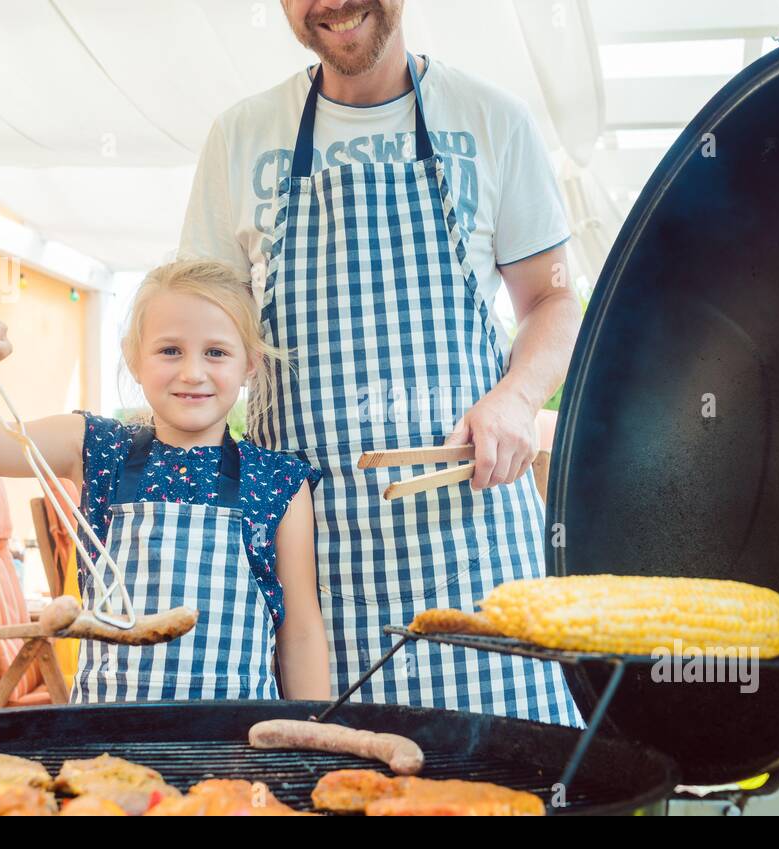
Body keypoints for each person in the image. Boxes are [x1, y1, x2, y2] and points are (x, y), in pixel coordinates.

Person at [181, 0, 583, 725]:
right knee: (332, 789)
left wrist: (519, 399)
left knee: (515, 786)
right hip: (305, 583)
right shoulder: (240, 138)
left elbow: (553, 304)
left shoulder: (491, 120)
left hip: (476, 561)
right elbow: (204, 329)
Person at [0, 258, 331, 702]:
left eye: (216, 352)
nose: (192, 372)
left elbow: (300, 633)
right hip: (105, 740)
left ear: (250, 364)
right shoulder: (94, 446)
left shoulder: (278, 480)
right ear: (134, 360)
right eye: (170, 350)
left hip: (230, 744)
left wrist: (316, 738)